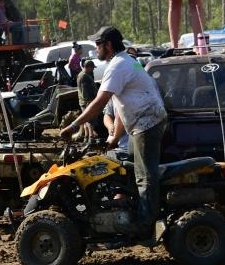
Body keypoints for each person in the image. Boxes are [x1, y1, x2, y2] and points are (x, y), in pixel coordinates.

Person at [60, 26, 168, 236]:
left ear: (108, 45)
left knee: (144, 176)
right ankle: (129, 207)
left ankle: (144, 225)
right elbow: (120, 107)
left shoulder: (118, 65)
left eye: (98, 44)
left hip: (147, 123)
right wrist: (114, 138)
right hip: (146, 120)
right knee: (127, 164)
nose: (95, 49)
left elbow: (99, 103)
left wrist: (74, 126)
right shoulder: (127, 61)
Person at [75, 58, 99, 141]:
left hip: (84, 101)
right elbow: (84, 90)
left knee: (86, 119)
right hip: (87, 101)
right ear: (88, 67)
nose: (93, 69)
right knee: (90, 119)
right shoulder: (84, 76)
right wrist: (88, 102)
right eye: (92, 68)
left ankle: (86, 136)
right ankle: (91, 137)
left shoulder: (83, 74)